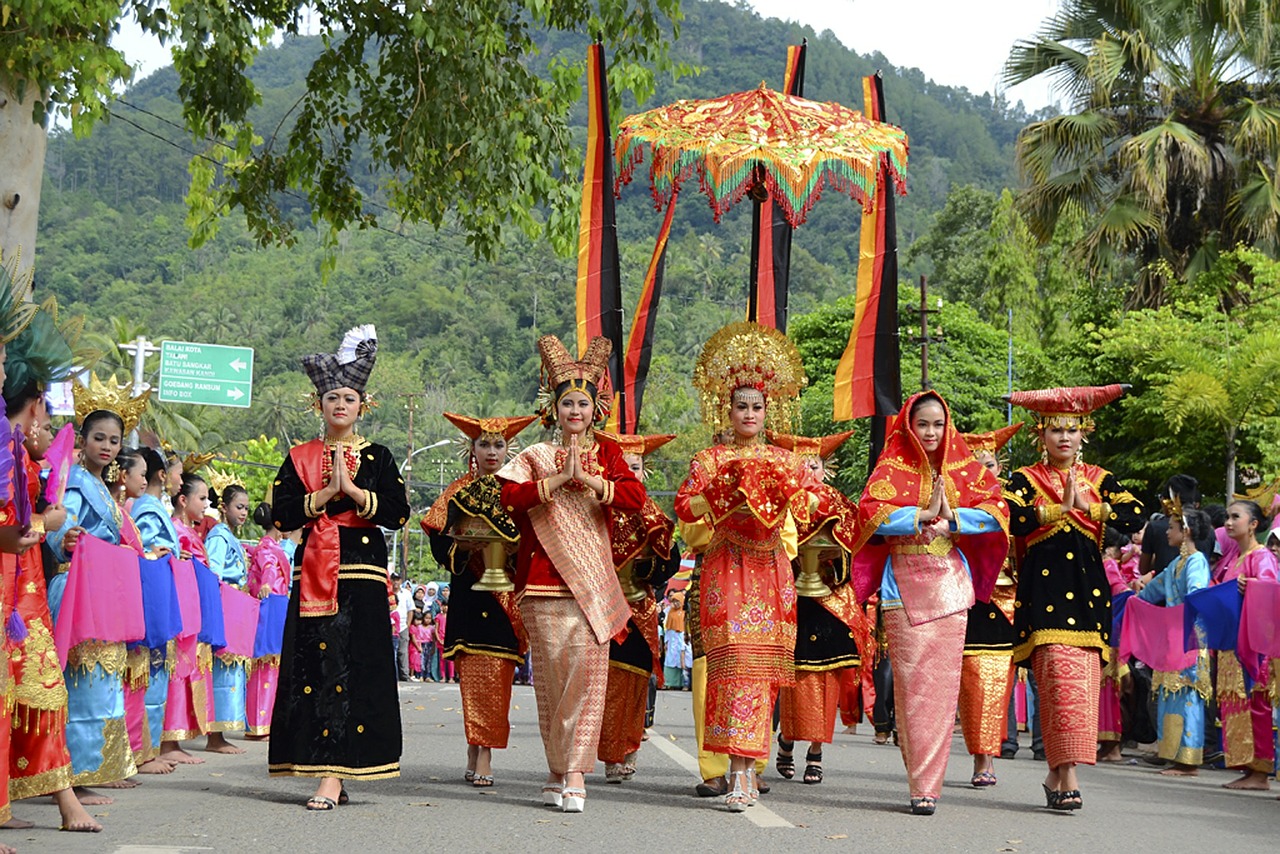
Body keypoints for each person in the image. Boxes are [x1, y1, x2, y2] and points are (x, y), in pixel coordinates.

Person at [496, 334, 645, 814]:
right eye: (567, 403)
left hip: (592, 587)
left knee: (587, 680)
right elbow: (508, 498)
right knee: (552, 683)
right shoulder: (536, 455)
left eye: (583, 402)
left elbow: (635, 498)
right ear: (554, 408)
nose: (575, 410)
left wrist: (593, 481)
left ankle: (575, 772)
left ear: (595, 408)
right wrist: (558, 480)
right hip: (541, 582)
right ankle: (557, 769)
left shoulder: (610, 454)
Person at [675, 321, 819, 813]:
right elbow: (685, 506)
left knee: (760, 671)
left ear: (768, 409)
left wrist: (790, 494)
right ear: (728, 409)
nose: (750, 414)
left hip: (771, 569)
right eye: (741, 406)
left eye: (757, 406)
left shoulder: (786, 460)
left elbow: (810, 506)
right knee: (731, 665)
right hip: (725, 567)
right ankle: (734, 770)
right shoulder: (709, 460)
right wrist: (723, 494)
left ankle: (747, 771)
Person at [848, 392, 1009, 815]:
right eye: (923, 424)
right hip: (901, 588)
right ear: (909, 426)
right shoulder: (890, 468)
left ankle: (927, 788)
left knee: (940, 689)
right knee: (911, 688)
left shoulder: (966, 469)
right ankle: (919, 778)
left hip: (950, 588)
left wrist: (953, 517)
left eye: (938, 424)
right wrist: (920, 515)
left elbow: (997, 511)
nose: (931, 432)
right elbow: (869, 515)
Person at [268, 324, 409, 810]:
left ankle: (336, 772)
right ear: (319, 404)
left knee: (355, 669)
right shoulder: (300, 457)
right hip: (313, 571)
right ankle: (328, 768)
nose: (340, 405)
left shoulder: (378, 457)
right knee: (318, 667)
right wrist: (324, 495)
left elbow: (398, 512)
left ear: (362, 405)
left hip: (362, 575)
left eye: (349, 398)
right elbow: (282, 514)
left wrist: (355, 493)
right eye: (332, 398)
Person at [1005, 384, 1144, 811]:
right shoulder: (1025, 479)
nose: (1064, 437)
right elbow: (1008, 517)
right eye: (1055, 429)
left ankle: (1058, 772)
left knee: (1081, 689)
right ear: (1041, 434)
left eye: (1072, 429)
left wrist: (1091, 507)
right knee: (1056, 686)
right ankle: (1069, 775)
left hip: (1088, 598)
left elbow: (1136, 513)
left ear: (1084, 433)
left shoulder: (1100, 479)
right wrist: (1055, 511)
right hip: (1043, 597)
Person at [1, 306, 104, 833]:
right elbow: (11, 527)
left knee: (39, 694)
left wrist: (54, 533)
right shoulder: (10, 452)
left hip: (26, 590)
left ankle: (58, 799)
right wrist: (48, 522)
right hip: (13, 594)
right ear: (37, 403)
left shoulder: (21, 455)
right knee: (31, 693)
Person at [48, 379, 151, 803]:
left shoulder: (103, 491)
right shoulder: (74, 482)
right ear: (83, 438)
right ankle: (72, 775)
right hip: (77, 586)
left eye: (114, 440)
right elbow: (59, 529)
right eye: (99, 438)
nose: (107, 446)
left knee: (102, 679)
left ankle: (95, 767)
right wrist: (67, 539)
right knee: (81, 680)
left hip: (103, 589)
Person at [424, 411, 534, 786]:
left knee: (499, 675)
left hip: (506, 596)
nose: (491, 451)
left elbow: (534, 539)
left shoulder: (518, 490)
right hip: (469, 592)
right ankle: (476, 745)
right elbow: (438, 538)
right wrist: (464, 547)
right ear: (472, 448)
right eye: (484, 444)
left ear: (508, 449)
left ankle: (485, 750)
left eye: (498, 444)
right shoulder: (458, 490)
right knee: (472, 675)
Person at [770, 428, 865, 788]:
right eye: (801, 464)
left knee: (827, 680)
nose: (809, 471)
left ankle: (816, 752)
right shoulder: (780, 502)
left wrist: (833, 565)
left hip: (830, 601)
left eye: (815, 464)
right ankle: (786, 739)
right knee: (792, 679)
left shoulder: (840, 504)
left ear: (826, 469)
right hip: (791, 599)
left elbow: (855, 552)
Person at [595, 431, 682, 784]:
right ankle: (608, 753)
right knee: (606, 683)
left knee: (635, 682)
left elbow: (670, 559)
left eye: (636, 466)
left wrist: (649, 570)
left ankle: (629, 749)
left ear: (644, 471)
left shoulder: (652, 513)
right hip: (602, 606)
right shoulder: (598, 506)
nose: (630, 472)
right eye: (624, 466)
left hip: (640, 609)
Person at [957, 423, 1023, 788]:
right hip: (964, 599)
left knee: (996, 683)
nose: (984, 471)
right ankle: (974, 755)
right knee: (970, 684)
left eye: (990, 464)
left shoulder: (1014, 504)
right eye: (975, 464)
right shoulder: (955, 504)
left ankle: (987, 756)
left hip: (1006, 602)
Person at [1134, 501, 1212, 776]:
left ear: (1186, 531)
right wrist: (1132, 598)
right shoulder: (1176, 563)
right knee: (1170, 694)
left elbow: (1196, 594)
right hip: (1173, 636)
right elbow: (1152, 591)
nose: (1167, 532)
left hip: (1189, 637)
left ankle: (1188, 761)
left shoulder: (1197, 561)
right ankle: (1173, 754)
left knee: (1187, 693)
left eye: (1172, 527)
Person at [1216, 499, 1278, 791]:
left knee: (1256, 705)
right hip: (1232, 642)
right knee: (1237, 705)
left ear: (1253, 524)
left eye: (1235, 517)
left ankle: (1260, 772)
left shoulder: (1261, 555)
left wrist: (1252, 586)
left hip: (1254, 644)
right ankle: (1248, 767)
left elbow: (1271, 591)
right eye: (1227, 517)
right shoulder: (1235, 558)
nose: (1228, 522)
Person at [158, 473, 215, 765]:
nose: (206, 504)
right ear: (183, 500)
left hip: (193, 608)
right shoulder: (177, 531)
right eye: (201, 498)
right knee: (177, 670)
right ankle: (169, 741)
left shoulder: (190, 532)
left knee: (187, 670)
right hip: (181, 611)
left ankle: (176, 738)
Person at [204, 479, 251, 754]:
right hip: (225, 605)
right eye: (239, 507)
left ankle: (219, 732)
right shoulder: (219, 536)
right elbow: (214, 574)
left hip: (235, 606)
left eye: (246, 508)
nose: (243, 513)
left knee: (231, 668)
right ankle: (215, 735)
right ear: (224, 507)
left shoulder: (229, 536)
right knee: (221, 668)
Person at [244, 501, 291, 738]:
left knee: (272, 664)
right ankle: (259, 723)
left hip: (277, 604)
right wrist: (267, 584)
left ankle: (265, 721)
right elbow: (269, 567)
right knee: (265, 663)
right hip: (271, 605)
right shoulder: (267, 547)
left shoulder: (269, 546)